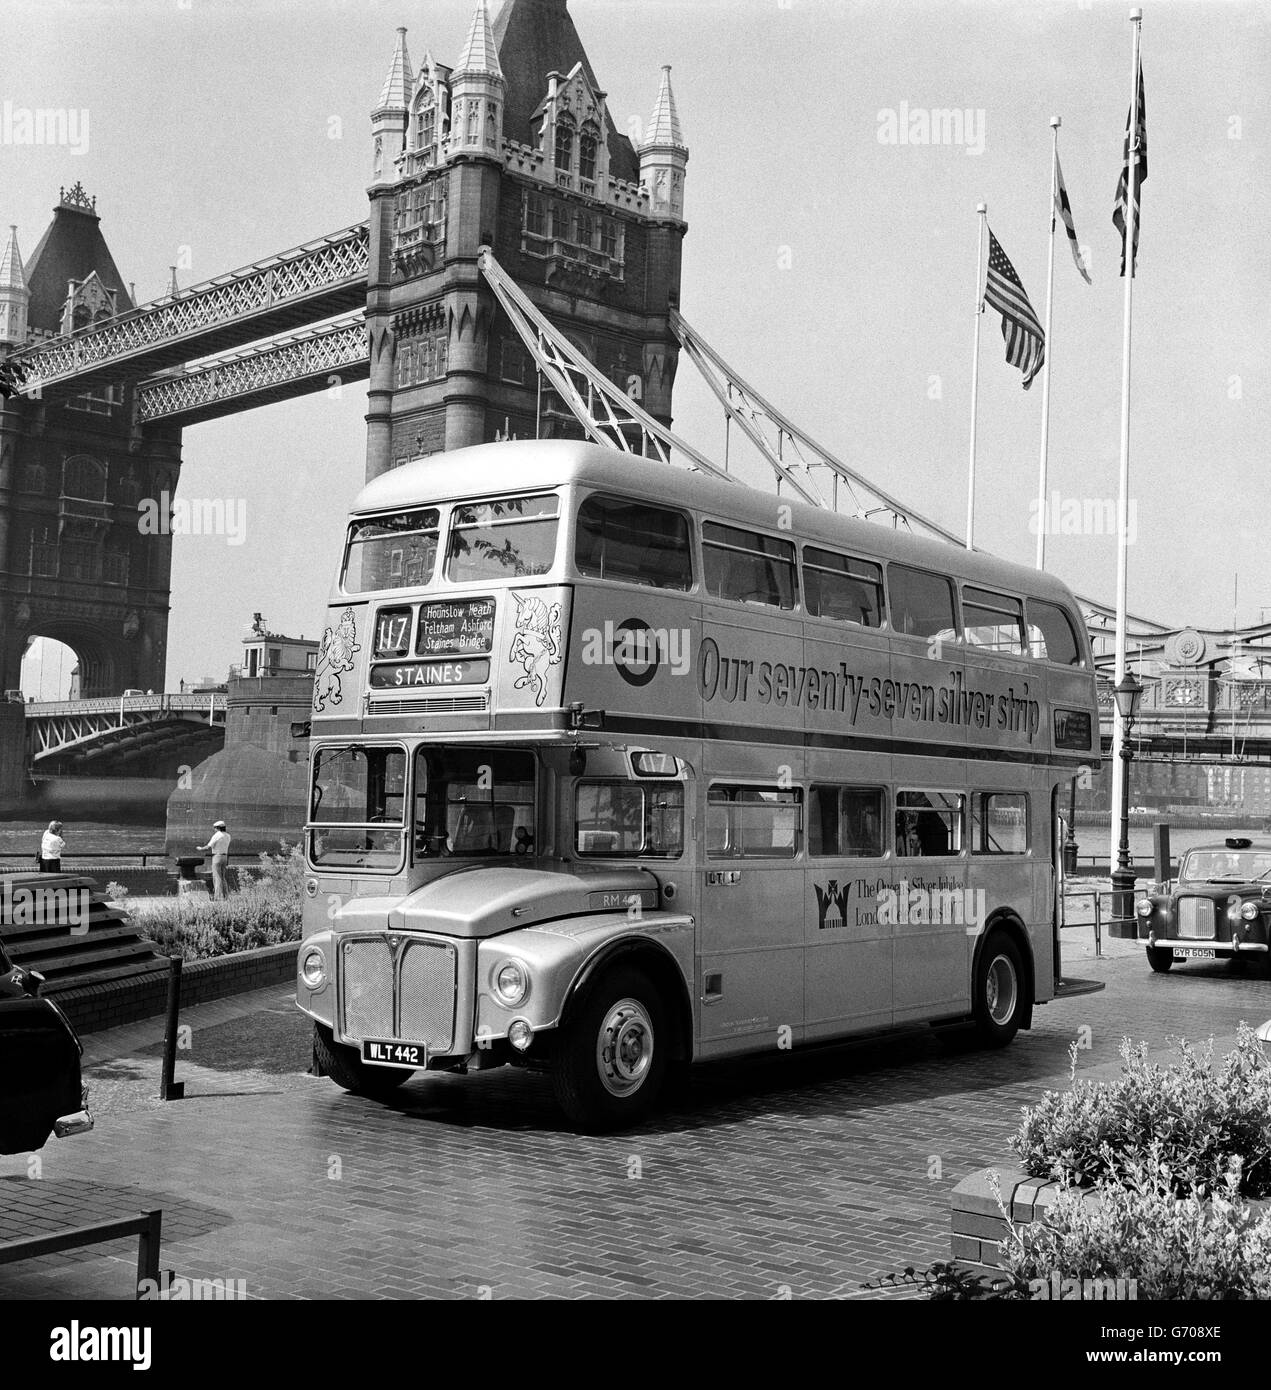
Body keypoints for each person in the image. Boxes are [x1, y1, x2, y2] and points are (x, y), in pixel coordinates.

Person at [197, 819, 232, 900]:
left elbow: (208, 846)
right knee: (223, 877)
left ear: (218, 828)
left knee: (217, 877)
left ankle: (218, 897)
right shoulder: (228, 836)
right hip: (225, 857)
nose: (214, 829)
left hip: (217, 857)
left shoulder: (217, 835)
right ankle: (225, 896)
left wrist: (200, 848)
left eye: (215, 828)